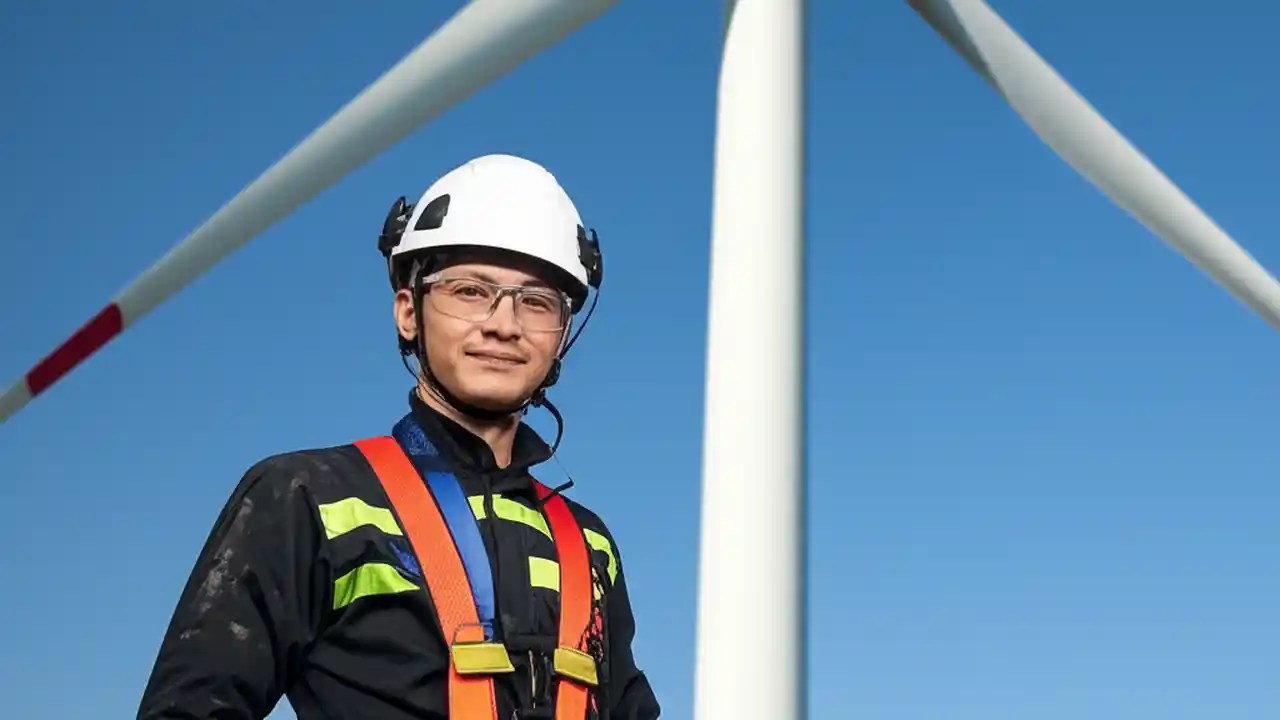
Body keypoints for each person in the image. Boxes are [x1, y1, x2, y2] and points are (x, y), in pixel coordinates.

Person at [137, 154, 661, 719]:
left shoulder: (588, 545)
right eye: (469, 291)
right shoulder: (306, 498)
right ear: (409, 311)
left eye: (536, 302)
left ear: (562, 335)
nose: (504, 324)